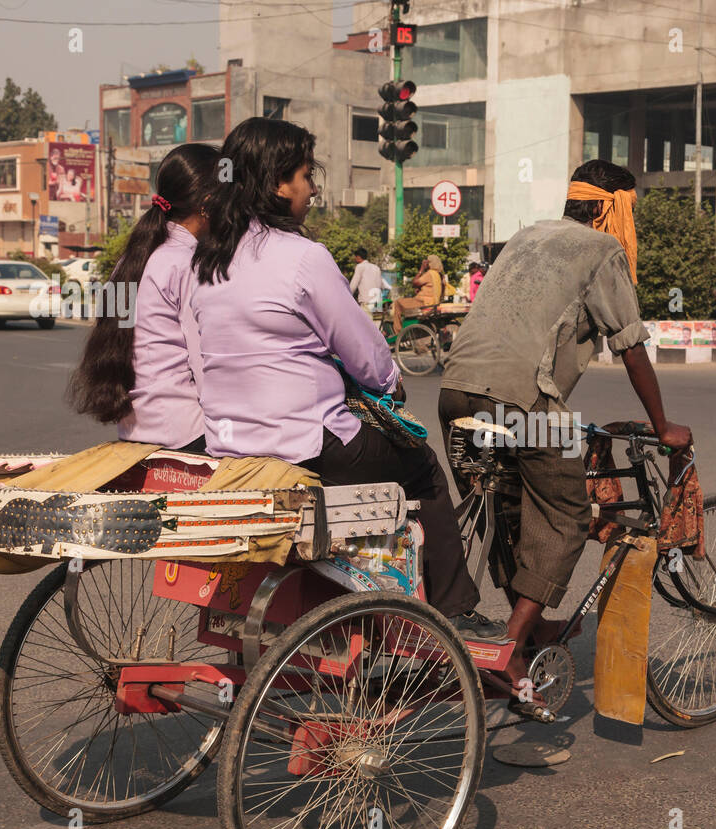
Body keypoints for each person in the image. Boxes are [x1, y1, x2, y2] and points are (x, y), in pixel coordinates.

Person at [190, 117, 501, 639]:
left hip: (229, 444)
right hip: (308, 444)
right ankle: (455, 609)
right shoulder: (302, 258)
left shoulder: (210, 259)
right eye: (306, 176)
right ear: (276, 183)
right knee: (422, 469)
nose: (312, 190)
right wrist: (387, 384)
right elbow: (366, 354)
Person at [437, 158, 693, 719]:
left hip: (454, 393)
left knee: (508, 511)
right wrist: (662, 425)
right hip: (520, 402)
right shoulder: (603, 251)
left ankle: (522, 635)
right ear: (613, 206)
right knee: (568, 513)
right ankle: (508, 649)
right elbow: (630, 344)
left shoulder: (528, 236)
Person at [67, 143, 219, 452]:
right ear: (207, 203)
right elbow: (204, 362)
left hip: (135, 429)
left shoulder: (132, 259)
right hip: (186, 432)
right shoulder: (189, 261)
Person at [389, 253, 444, 335]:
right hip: (432, 303)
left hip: (423, 302)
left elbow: (414, 283)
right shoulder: (439, 275)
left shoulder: (430, 273)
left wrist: (421, 269)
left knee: (398, 302)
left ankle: (398, 332)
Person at [347, 246, 389, 315]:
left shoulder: (360, 267)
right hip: (377, 302)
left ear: (358, 257)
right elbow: (381, 285)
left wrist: (347, 296)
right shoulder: (376, 267)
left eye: (355, 256)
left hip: (366, 301)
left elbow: (353, 285)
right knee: (377, 324)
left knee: (365, 324)